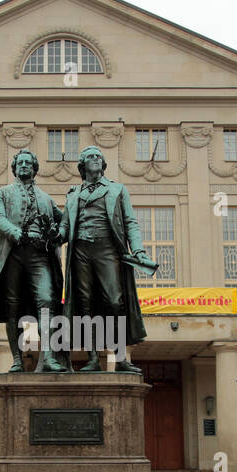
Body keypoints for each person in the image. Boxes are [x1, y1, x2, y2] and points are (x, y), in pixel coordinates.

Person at [61, 145, 154, 372]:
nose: (95, 159)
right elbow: (64, 227)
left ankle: (120, 358)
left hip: (107, 250)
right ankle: (92, 358)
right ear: (82, 166)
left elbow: (130, 222)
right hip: (80, 252)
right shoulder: (73, 194)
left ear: (103, 164)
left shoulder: (117, 189)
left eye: (98, 157)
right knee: (85, 304)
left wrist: (138, 250)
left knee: (114, 301)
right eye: (89, 157)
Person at [0, 149, 67, 372]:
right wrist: (18, 233)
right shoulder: (2, 193)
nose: (24, 165)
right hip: (13, 254)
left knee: (46, 301)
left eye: (28, 163)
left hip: (39, 256)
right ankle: (16, 358)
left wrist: (57, 232)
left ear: (34, 168)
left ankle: (49, 357)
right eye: (20, 163)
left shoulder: (46, 198)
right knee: (12, 307)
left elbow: (64, 224)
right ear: (14, 168)